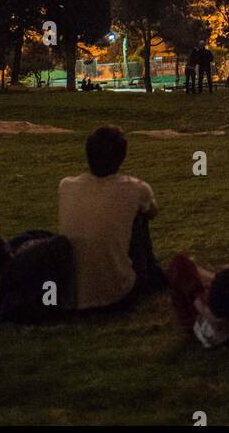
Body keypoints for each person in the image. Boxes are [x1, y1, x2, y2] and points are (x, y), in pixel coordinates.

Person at [58, 125, 165, 312]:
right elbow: (153, 213)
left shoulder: (66, 185)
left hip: (73, 294)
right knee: (140, 216)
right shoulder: (136, 188)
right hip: (117, 293)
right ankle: (150, 273)